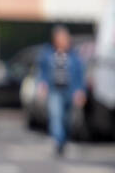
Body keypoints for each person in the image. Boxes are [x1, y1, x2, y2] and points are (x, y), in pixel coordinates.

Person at [36, 25, 86, 157]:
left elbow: (80, 75)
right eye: (60, 38)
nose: (63, 41)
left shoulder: (74, 56)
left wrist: (80, 91)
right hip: (55, 91)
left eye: (65, 38)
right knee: (56, 116)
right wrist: (42, 85)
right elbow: (42, 72)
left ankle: (63, 140)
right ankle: (58, 141)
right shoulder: (47, 53)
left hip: (70, 91)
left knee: (67, 119)